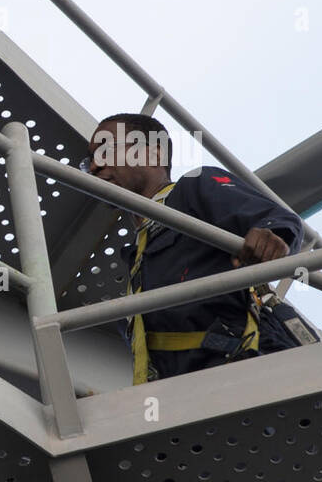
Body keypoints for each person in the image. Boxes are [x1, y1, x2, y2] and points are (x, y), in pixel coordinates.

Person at [82, 112, 306, 383]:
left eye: (106, 150)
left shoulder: (193, 188)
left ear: (152, 155)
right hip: (187, 390)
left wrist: (272, 238)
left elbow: (278, 221)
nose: (94, 166)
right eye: (90, 159)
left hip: (250, 369)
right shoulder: (136, 259)